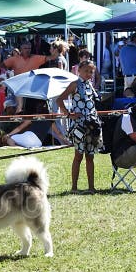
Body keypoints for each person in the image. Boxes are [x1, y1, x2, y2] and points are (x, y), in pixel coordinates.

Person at [55, 60, 104, 194]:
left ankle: (91, 187)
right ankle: (74, 187)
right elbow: (59, 100)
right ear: (79, 70)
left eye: (91, 72)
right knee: (78, 156)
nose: (89, 74)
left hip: (92, 124)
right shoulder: (74, 84)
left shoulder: (89, 85)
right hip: (79, 126)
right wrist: (69, 114)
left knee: (90, 156)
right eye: (87, 71)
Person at [3, 41, 48, 114]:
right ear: (21, 49)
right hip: (18, 89)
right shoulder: (13, 61)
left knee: (30, 108)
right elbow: (2, 67)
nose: (27, 50)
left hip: (31, 88)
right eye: (25, 48)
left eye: (29, 48)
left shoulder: (34, 59)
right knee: (20, 106)